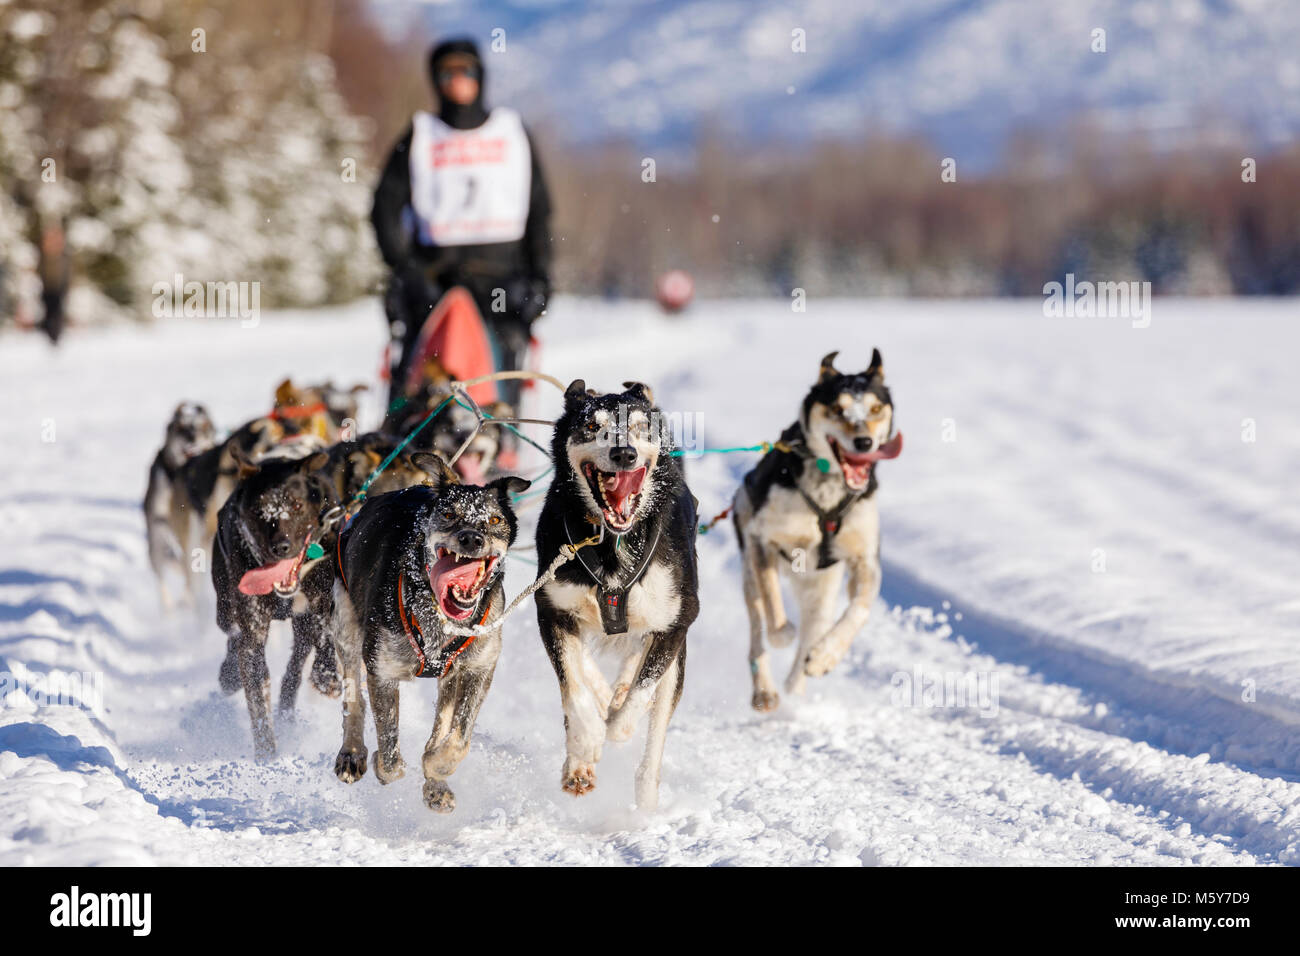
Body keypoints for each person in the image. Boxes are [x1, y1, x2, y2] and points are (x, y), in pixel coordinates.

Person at [372, 37, 552, 414]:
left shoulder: (511, 132)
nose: (457, 80)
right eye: (447, 72)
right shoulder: (421, 135)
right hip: (435, 277)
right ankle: (404, 443)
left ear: (480, 76)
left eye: (466, 70)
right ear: (435, 80)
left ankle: (501, 445)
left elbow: (539, 211)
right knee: (418, 371)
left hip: (501, 278)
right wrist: (405, 268)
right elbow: (384, 206)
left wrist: (541, 277)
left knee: (504, 363)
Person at [37, 221, 70, 345]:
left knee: (56, 313)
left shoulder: (64, 257)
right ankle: (48, 334)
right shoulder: (43, 257)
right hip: (47, 289)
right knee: (49, 312)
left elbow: (67, 274)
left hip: (58, 289)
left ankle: (54, 336)